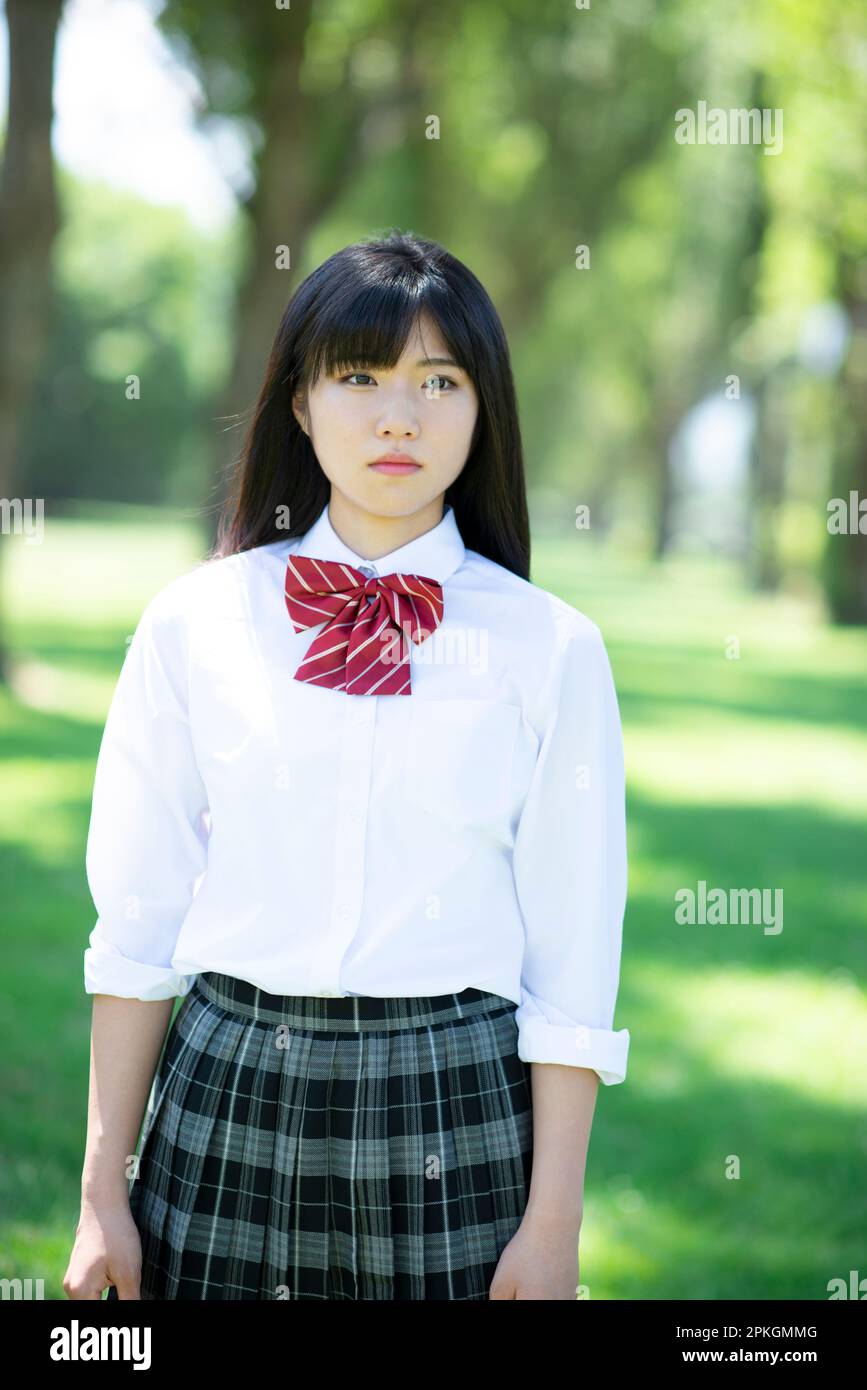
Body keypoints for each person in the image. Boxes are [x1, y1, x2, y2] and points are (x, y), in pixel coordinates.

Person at [63, 230, 629, 1302]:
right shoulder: (195, 622)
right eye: (360, 376)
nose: (398, 416)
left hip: (453, 1107)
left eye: (440, 380)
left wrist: (554, 1223)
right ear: (299, 401)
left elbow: (574, 955)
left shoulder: (551, 648)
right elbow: (135, 924)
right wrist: (101, 1193)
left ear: (484, 406)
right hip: (227, 1087)